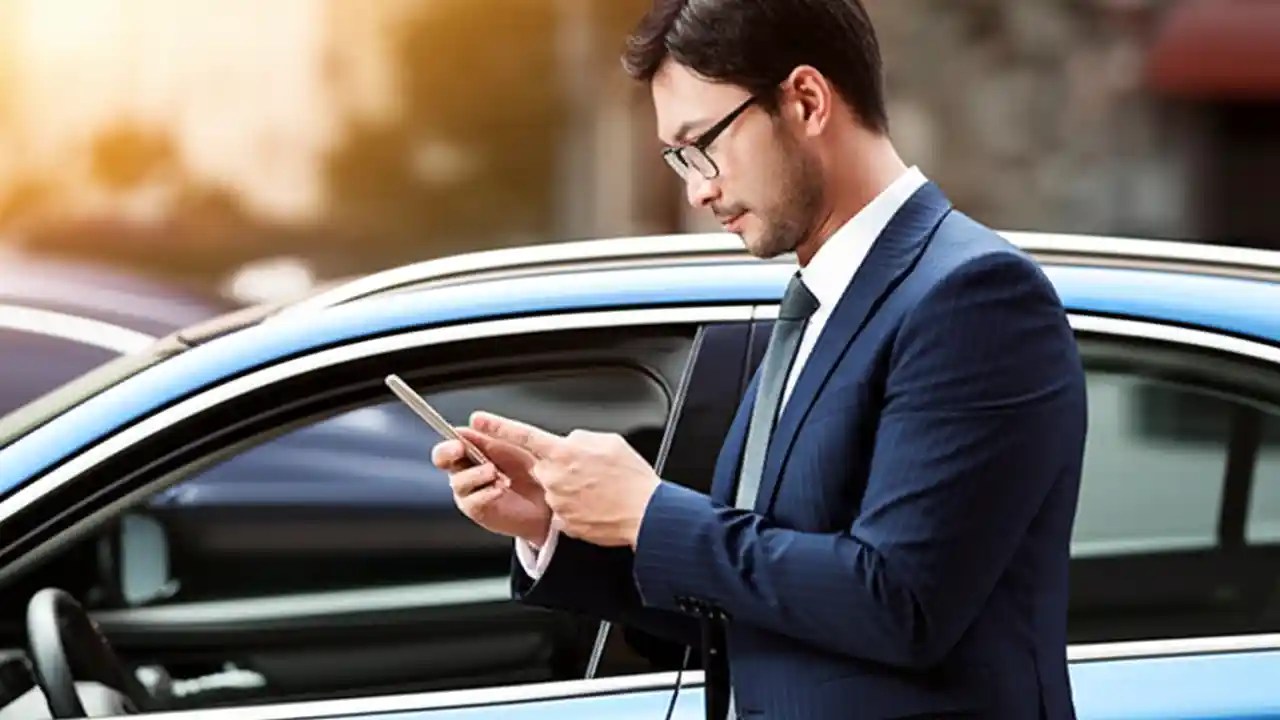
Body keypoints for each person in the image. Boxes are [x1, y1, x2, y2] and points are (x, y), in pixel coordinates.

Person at [431, 0, 1088, 717]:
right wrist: (560, 522)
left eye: (703, 143)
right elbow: (758, 598)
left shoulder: (974, 295)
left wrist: (649, 513)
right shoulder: (815, 301)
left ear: (806, 100)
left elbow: (902, 603)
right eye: (678, 157)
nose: (697, 187)